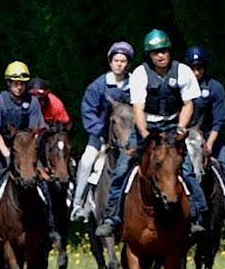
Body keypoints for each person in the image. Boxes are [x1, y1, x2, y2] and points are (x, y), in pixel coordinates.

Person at [95, 29, 209, 238]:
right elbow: (137, 108)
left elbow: (188, 104)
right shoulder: (140, 73)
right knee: (121, 169)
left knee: (187, 170)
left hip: (174, 127)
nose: (161, 55)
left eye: (164, 51)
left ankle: (196, 216)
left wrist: (181, 129)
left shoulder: (183, 71)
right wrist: (145, 134)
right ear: (150, 54)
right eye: (156, 52)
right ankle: (111, 218)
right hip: (146, 128)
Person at [0, 62, 49, 243]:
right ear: (9, 83)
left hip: (26, 152)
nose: (19, 86)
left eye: (22, 83)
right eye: (15, 83)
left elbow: (36, 130)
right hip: (2, 149)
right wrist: (6, 152)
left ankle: (51, 225)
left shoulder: (33, 102)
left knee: (45, 181)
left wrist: (30, 153)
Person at [73, 41, 134, 221]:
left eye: (123, 61)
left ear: (128, 64)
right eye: (116, 60)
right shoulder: (98, 86)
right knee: (86, 162)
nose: (119, 64)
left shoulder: (135, 84)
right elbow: (88, 111)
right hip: (101, 136)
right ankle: (79, 205)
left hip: (130, 137)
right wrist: (101, 132)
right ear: (110, 62)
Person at [184, 45, 225, 211]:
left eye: (199, 68)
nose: (196, 73)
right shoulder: (180, 87)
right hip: (183, 137)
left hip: (209, 136)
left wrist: (209, 144)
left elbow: (219, 120)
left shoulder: (215, 88)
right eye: (192, 68)